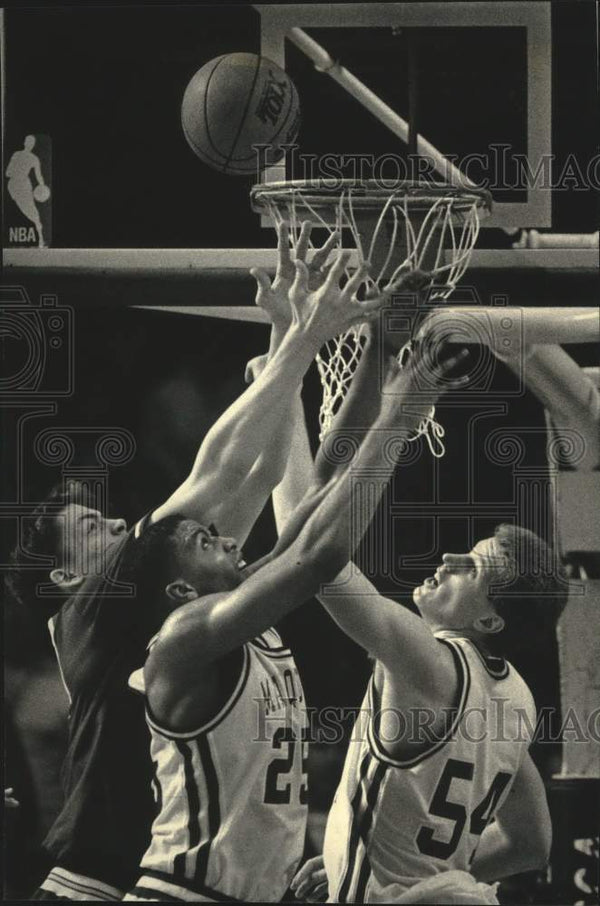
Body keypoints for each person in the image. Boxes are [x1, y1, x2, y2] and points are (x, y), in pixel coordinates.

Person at [5, 226, 377, 901]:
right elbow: (220, 471)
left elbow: (258, 479)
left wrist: (283, 339)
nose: (118, 523)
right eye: (92, 527)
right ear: (65, 579)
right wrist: (301, 338)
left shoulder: (167, 596)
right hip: (88, 886)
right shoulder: (88, 614)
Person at [119, 300, 464, 902]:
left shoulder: (240, 608)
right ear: (178, 590)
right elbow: (317, 559)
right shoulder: (183, 638)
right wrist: (398, 418)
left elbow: (323, 490)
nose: (227, 537)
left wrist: (380, 354)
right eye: (204, 542)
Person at [271, 323, 566, 904]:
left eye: (473, 569)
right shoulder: (520, 702)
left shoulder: (429, 662)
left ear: (489, 621)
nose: (451, 556)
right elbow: (534, 844)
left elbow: (308, 559)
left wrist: (282, 402)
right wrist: (421, 876)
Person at [5, 135, 47, 247]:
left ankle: (41, 240)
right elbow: (7, 173)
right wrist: (18, 172)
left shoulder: (34, 159)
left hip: (23, 185)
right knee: (25, 209)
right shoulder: (17, 155)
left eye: (31, 143)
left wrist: (42, 187)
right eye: (29, 142)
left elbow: (39, 176)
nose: (30, 144)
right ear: (25, 143)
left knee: (33, 212)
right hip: (14, 185)